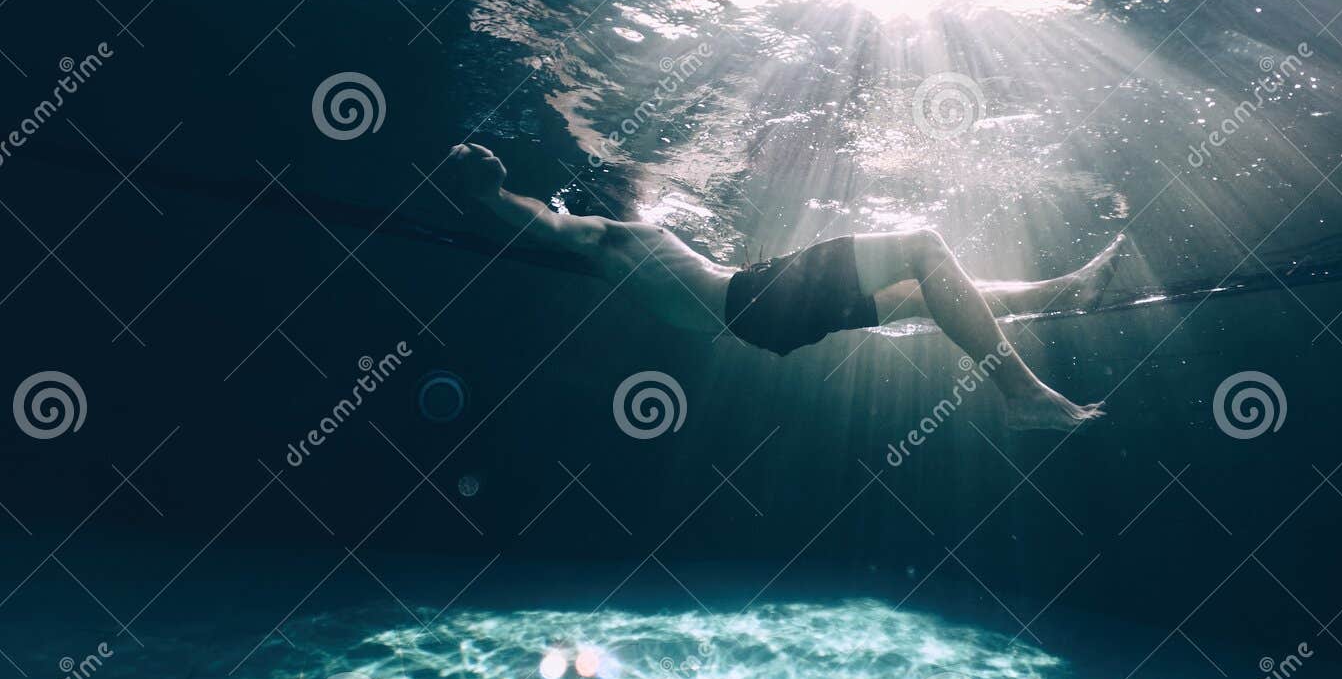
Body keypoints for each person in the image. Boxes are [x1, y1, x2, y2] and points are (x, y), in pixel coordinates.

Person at [443, 143, 1124, 431]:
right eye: (634, 187)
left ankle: (1063, 292)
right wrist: (492, 193)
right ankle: (1021, 394)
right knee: (923, 245)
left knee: (930, 290)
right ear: (613, 194)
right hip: (754, 298)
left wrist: (492, 198)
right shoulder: (610, 234)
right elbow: (554, 226)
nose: (643, 195)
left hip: (757, 318)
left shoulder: (632, 260)